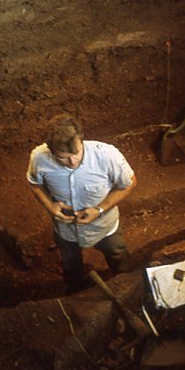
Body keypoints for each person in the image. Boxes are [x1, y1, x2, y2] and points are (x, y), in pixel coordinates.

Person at [27, 114, 137, 293]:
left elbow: (129, 182)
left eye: (77, 153)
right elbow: (34, 184)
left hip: (104, 226)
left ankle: (126, 287)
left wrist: (99, 209)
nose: (73, 162)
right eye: (63, 158)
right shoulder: (39, 158)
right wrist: (50, 206)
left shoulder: (107, 155)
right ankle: (76, 292)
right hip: (66, 229)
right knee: (70, 264)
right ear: (50, 149)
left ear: (82, 139)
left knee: (118, 255)